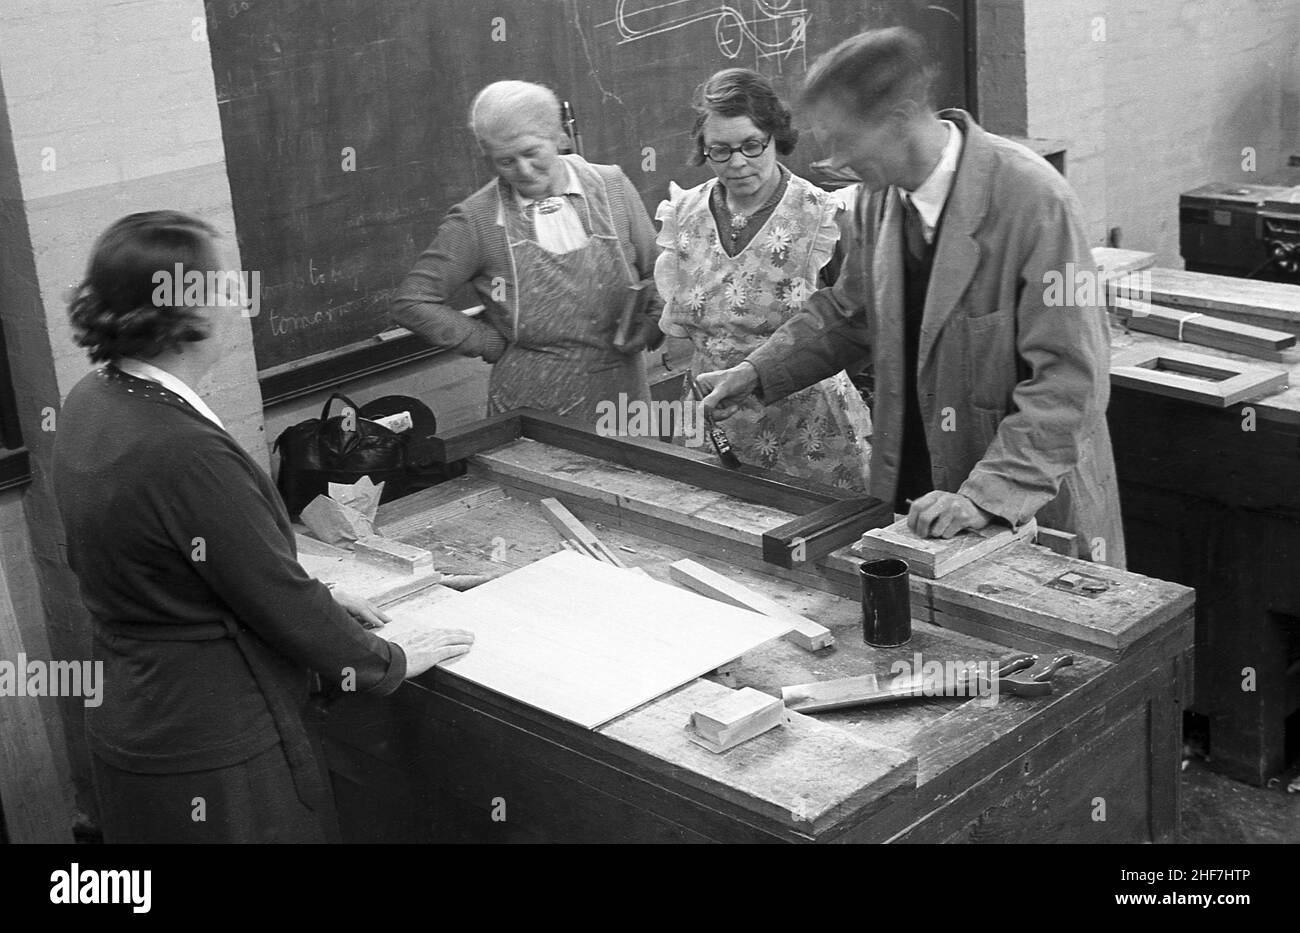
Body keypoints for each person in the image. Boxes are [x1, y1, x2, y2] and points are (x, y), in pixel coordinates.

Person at [53, 212, 475, 843]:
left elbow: (195, 566)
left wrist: (324, 598)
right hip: (215, 749)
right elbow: (273, 596)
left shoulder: (94, 398)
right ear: (185, 315)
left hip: (137, 719)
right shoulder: (183, 449)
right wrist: (384, 661)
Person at [700, 28, 1125, 567]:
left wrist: (985, 497)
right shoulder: (882, 201)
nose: (833, 159)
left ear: (899, 120)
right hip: (918, 504)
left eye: (844, 139)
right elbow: (849, 314)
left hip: (1024, 508)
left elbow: (1072, 380)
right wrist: (756, 373)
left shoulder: (1034, 201)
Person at [391, 80, 663, 427]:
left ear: (560, 137)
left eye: (531, 152)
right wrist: (489, 342)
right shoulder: (477, 219)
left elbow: (660, 270)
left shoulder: (611, 185)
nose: (522, 171)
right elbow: (412, 302)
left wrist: (654, 321)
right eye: (505, 161)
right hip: (531, 406)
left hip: (624, 398)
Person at [654, 68, 873, 489]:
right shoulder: (682, 215)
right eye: (720, 150)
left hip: (808, 429)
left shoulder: (823, 217)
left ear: (775, 137)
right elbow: (682, 331)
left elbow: (853, 324)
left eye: (752, 146)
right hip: (713, 419)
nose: (737, 163)